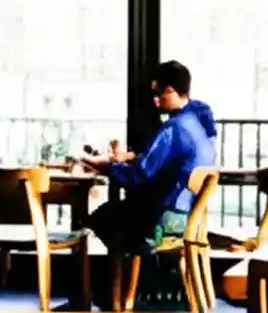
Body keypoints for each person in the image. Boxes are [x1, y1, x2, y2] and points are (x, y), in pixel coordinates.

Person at [82, 61, 217, 255]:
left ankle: (143, 270)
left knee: (100, 218)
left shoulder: (173, 128)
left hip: (167, 218)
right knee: (123, 212)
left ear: (170, 91)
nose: (155, 100)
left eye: (157, 94)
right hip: (190, 215)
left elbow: (141, 172)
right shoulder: (198, 124)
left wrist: (106, 167)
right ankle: (144, 271)